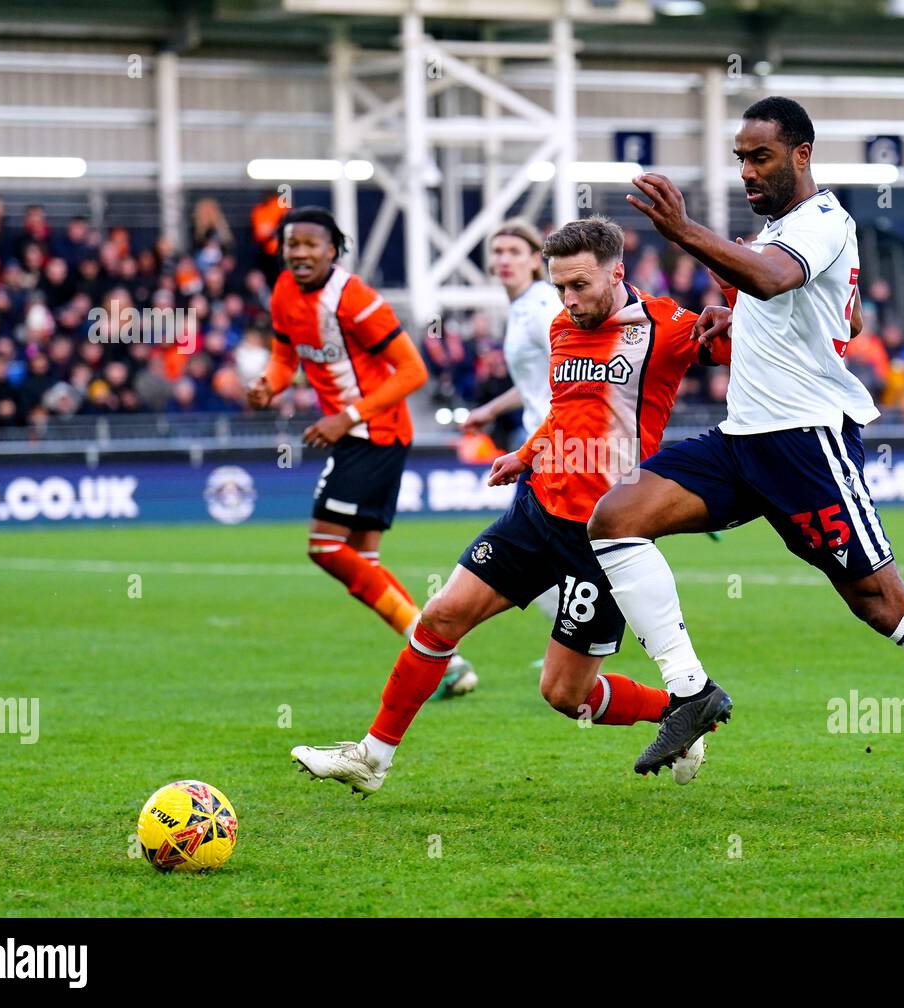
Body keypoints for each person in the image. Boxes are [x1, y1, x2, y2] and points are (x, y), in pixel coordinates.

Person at [587, 96, 904, 817]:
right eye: (741, 159)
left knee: (883, 606)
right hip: (744, 439)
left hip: (807, 445)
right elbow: (836, 311)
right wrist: (737, 322)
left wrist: (683, 231)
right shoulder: (784, 231)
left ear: (801, 155)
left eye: (761, 157)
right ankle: (689, 691)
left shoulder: (822, 221)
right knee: (616, 518)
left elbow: (777, 279)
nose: (748, 171)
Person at [288, 215, 731, 796]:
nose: (569, 301)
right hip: (536, 510)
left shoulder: (666, 326)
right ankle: (372, 757)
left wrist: (730, 299)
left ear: (617, 271)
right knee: (441, 617)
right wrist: (525, 453)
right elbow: (566, 409)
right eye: (560, 287)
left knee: (563, 695)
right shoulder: (561, 328)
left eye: (580, 286)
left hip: (601, 538)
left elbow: (739, 343)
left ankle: (679, 714)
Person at [245, 206, 478, 699]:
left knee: (326, 547)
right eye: (292, 245)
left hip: (373, 432)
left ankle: (439, 656)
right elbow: (286, 355)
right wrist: (269, 384)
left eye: (311, 244)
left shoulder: (356, 300)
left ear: (333, 249)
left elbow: (412, 371)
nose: (300, 253)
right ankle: (442, 662)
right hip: (357, 432)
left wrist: (345, 417)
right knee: (363, 560)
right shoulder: (285, 292)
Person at [462, 219, 562, 621]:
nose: (504, 260)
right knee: (546, 552)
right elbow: (534, 381)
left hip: (551, 447)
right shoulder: (522, 307)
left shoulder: (542, 308)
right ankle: (573, 649)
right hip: (539, 443)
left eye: (514, 252)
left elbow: (572, 374)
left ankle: (576, 651)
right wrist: (490, 410)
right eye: (498, 251)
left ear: (535, 262)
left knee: (523, 553)